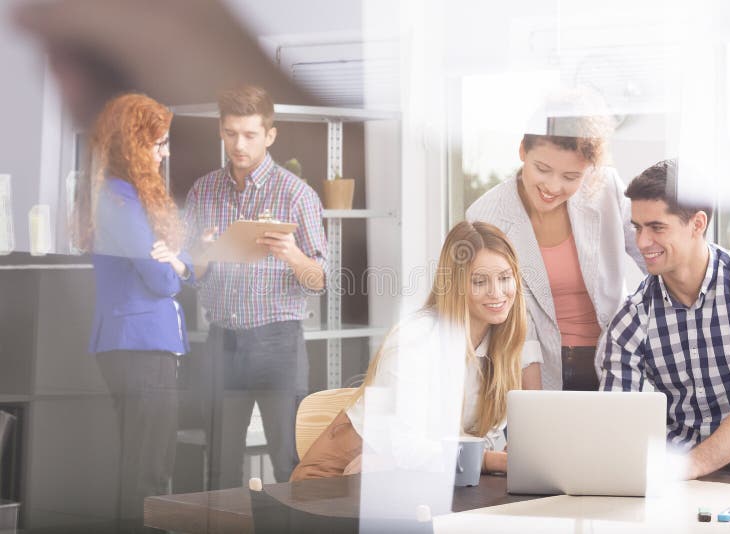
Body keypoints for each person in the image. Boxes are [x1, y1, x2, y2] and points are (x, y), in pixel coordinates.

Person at [466, 89, 730, 392]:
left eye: (571, 177)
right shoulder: (486, 215)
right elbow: (496, 314)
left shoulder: (604, 189)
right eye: (542, 169)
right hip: (533, 367)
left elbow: (661, 249)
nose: (552, 186)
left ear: (589, 170)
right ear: (523, 151)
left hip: (616, 357)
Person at [600, 159, 730, 482]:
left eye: (656, 227)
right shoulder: (632, 319)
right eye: (637, 227)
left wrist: (688, 467)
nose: (641, 242)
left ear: (697, 224)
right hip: (680, 476)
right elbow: (618, 420)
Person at [291, 220, 527, 481]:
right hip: (334, 483)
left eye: (505, 278)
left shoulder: (501, 344)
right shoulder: (418, 338)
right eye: (480, 281)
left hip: (416, 480)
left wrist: (501, 456)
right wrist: (486, 459)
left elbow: (480, 444)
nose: (497, 293)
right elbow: (406, 448)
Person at [183, 84, 327, 486]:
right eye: (231, 134)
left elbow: (319, 281)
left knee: (288, 463)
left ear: (270, 134)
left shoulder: (297, 195)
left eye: (249, 135)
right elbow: (189, 275)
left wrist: (293, 255)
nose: (239, 145)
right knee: (220, 467)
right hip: (222, 342)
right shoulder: (204, 191)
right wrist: (202, 252)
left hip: (278, 344)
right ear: (221, 131)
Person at [80, 93, 191, 532]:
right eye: (159, 143)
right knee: (148, 468)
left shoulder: (118, 195)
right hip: (140, 346)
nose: (165, 152)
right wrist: (179, 267)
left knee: (143, 462)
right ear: (134, 146)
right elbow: (160, 278)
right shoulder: (121, 200)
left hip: (138, 345)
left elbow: (170, 266)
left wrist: (179, 262)